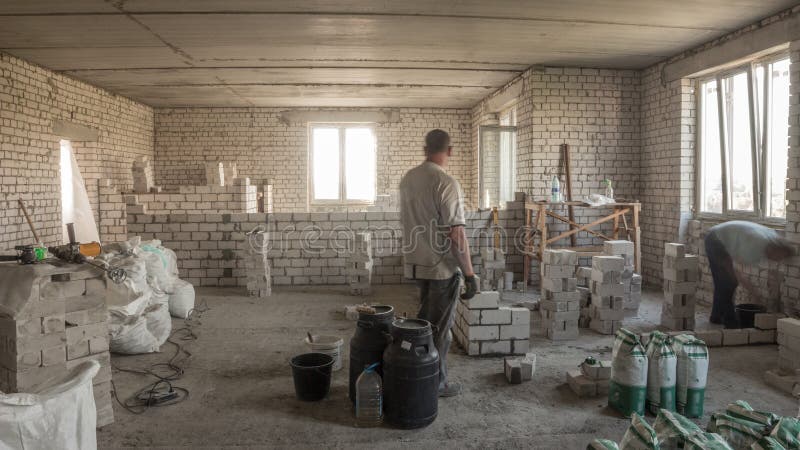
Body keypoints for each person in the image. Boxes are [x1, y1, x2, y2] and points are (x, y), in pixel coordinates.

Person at [399, 129, 479, 398]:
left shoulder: (409, 179)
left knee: (423, 325)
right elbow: (456, 234)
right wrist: (469, 273)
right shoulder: (446, 182)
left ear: (425, 149)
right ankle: (435, 383)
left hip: (415, 263)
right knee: (440, 331)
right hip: (440, 268)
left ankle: (416, 373)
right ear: (450, 150)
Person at [705, 220, 795, 328]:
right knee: (728, 283)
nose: (778, 260)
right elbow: (735, 270)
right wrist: (755, 293)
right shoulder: (754, 248)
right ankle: (731, 324)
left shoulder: (773, 239)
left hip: (723, 236)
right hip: (715, 240)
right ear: (775, 249)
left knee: (722, 283)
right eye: (779, 257)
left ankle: (716, 317)